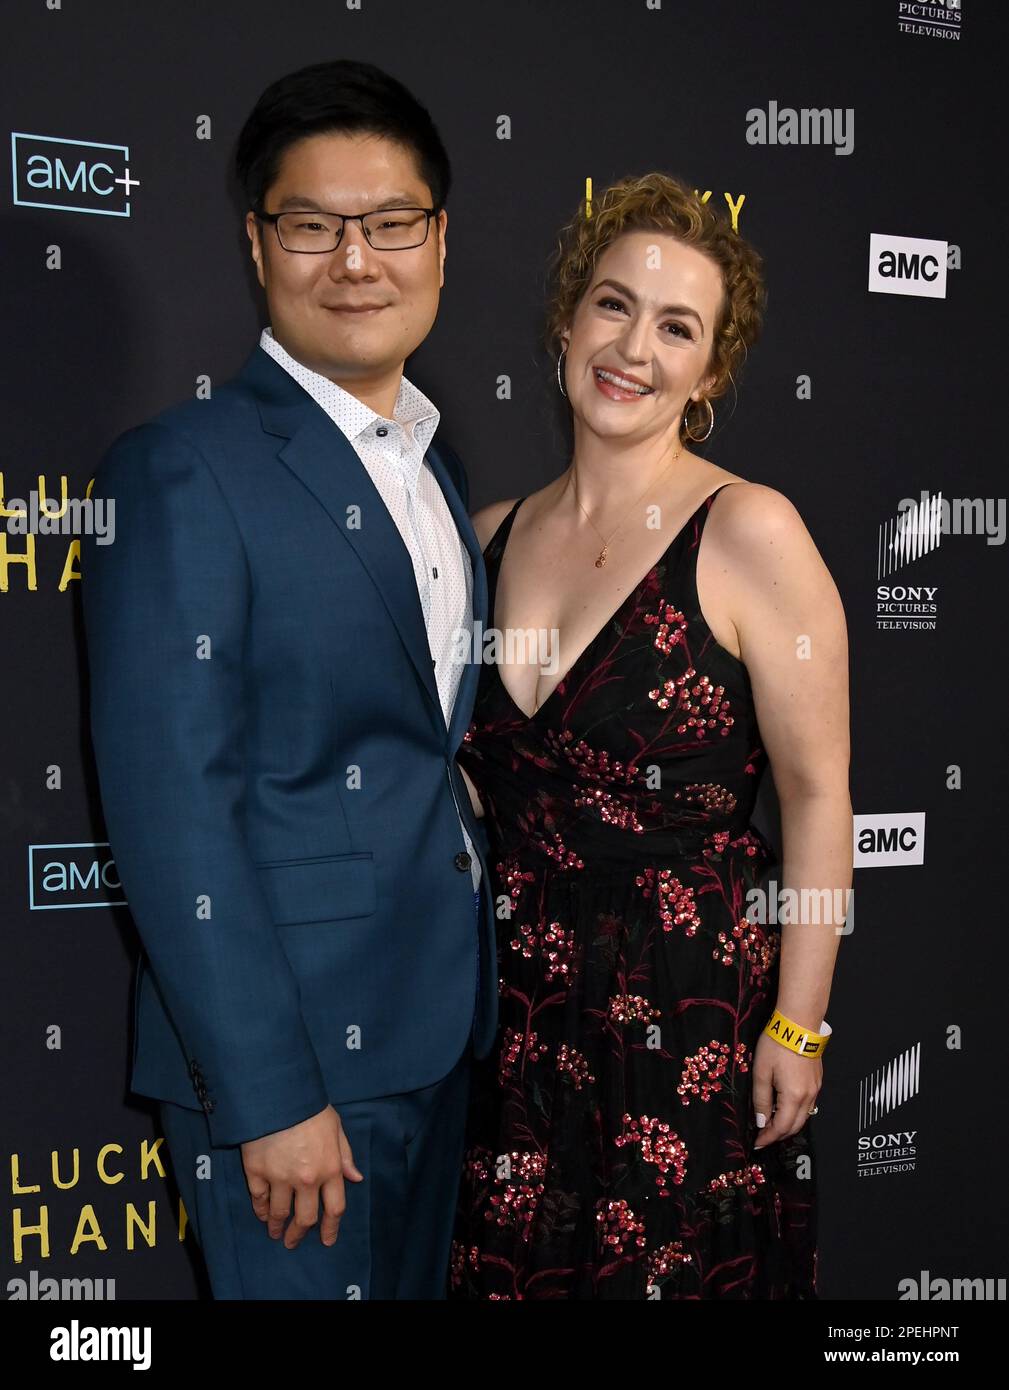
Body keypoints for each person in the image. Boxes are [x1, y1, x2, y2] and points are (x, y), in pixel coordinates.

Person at [80, 59, 498, 1300]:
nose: (355, 261)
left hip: (437, 1035)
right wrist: (268, 1096)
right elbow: (170, 806)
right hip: (291, 1079)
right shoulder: (180, 470)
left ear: (440, 239)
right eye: (314, 226)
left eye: (391, 225)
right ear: (260, 247)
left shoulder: (434, 464)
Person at [449, 173, 852, 1299]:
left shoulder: (750, 531)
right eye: (614, 305)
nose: (634, 346)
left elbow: (820, 799)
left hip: (687, 1021)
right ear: (568, 321)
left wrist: (801, 1028)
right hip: (515, 1022)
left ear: (710, 370)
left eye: (678, 327)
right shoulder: (482, 537)